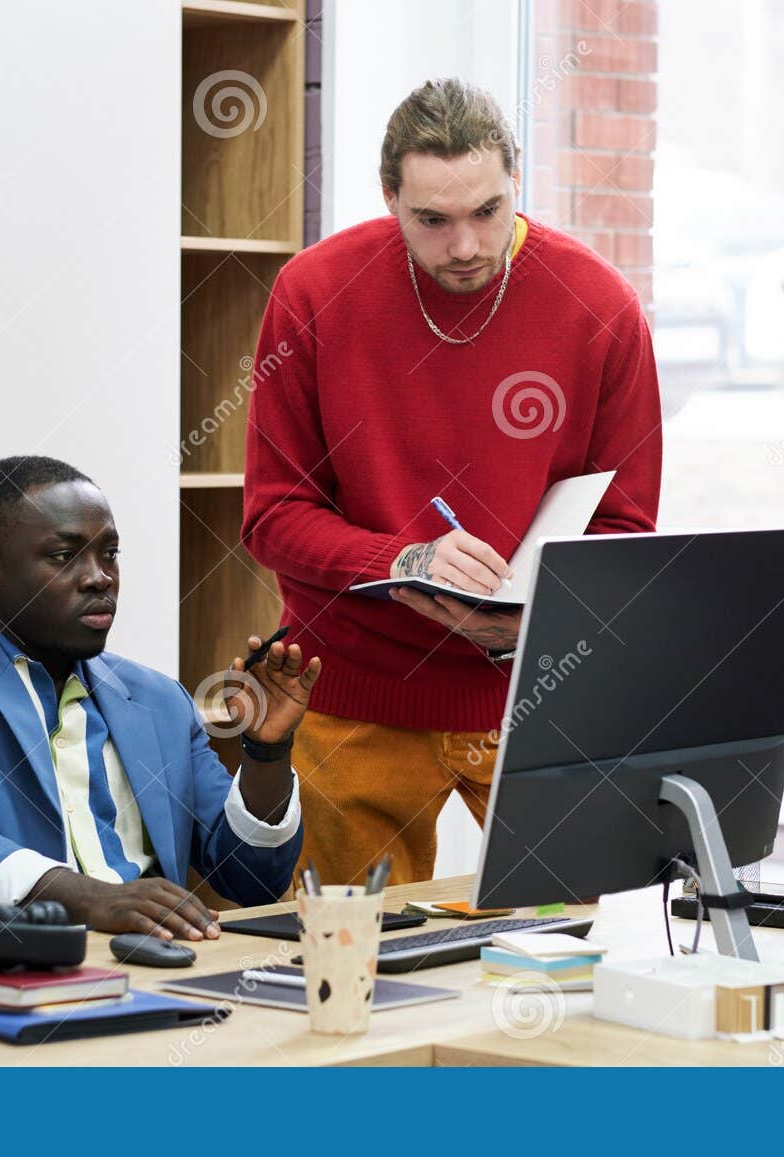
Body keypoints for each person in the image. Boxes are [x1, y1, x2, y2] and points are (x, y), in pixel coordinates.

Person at [242, 78, 661, 885]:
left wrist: (538, 620)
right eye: (432, 221)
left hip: (537, 689)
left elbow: (626, 529)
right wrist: (403, 561)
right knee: (354, 960)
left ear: (515, 183)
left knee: (568, 943)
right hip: (353, 690)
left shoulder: (600, 305)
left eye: (488, 212)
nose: (465, 245)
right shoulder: (314, 292)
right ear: (389, 199)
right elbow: (273, 516)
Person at [0, 455, 320, 938]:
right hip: (7, 969)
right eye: (64, 556)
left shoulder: (158, 700)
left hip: (164, 966)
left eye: (109, 553)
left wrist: (266, 754)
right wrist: (95, 899)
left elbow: (253, 879)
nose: (100, 577)